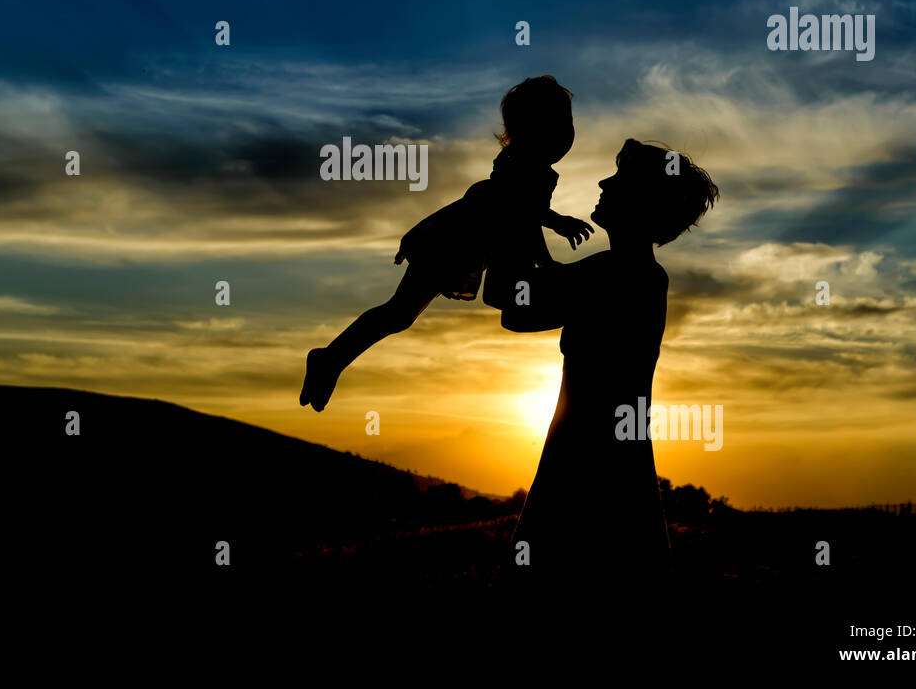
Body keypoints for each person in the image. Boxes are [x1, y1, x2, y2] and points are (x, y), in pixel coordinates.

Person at [494, 138, 719, 612]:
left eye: (620, 179)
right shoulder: (637, 275)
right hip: (614, 471)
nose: (602, 182)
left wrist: (509, 208)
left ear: (643, 201)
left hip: (583, 474)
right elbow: (531, 296)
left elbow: (513, 306)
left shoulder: (615, 273)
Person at [300, 76, 593, 412]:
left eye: (568, 123)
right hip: (454, 241)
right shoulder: (525, 166)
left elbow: (525, 222)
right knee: (401, 312)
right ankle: (330, 358)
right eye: (559, 123)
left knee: (399, 313)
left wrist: (547, 259)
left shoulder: (531, 167)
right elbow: (521, 210)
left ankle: (331, 358)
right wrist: (556, 229)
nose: (567, 133)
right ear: (534, 128)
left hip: (465, 238)